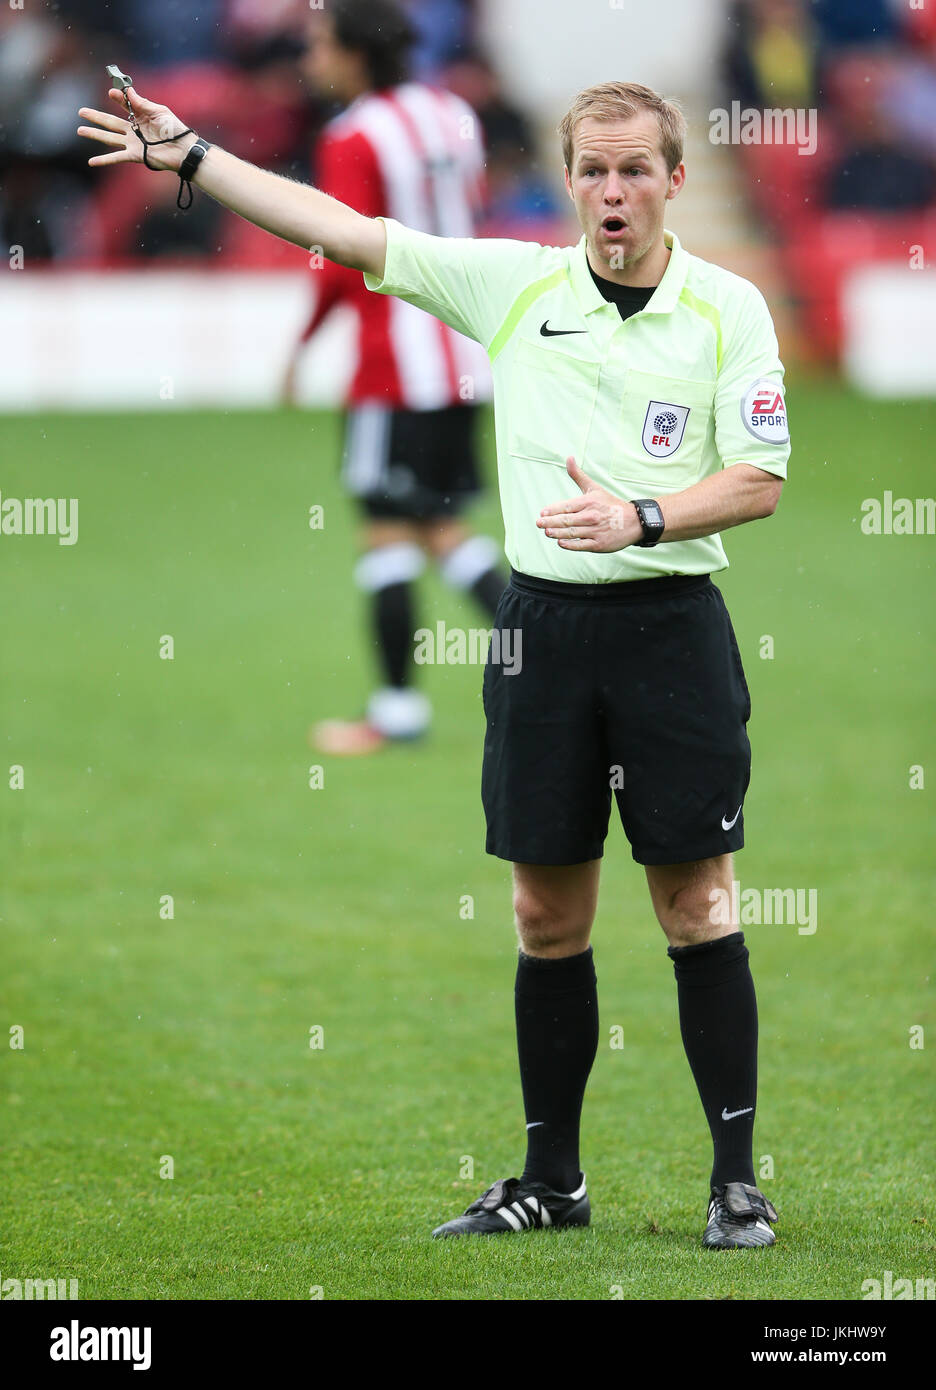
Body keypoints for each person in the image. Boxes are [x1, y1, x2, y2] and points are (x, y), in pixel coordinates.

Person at [78, 75, 789, 1249]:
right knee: (544, 915)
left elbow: (758, 478)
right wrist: (193, 155)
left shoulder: (730, 309)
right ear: (569, 181)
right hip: (542, 636)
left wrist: (645, 519)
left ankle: (736, 1182)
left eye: (633, 171)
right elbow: (346, 231)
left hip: (673, 628)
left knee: (696, 904)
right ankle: (552, 1183)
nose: (612, 193)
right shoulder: (514, 285)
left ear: (674, 179)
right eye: (592, 171)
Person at [284, 0, 507, 754]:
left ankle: (396, 713)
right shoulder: (453, 114)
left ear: (355, 53)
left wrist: (302, 342)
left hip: (393, 365)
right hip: (466, 357)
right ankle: (566, 665)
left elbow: (345, 253)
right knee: (443, 529)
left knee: (385, 535)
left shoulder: (351, 135)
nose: (310, 59)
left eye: (319, 44)